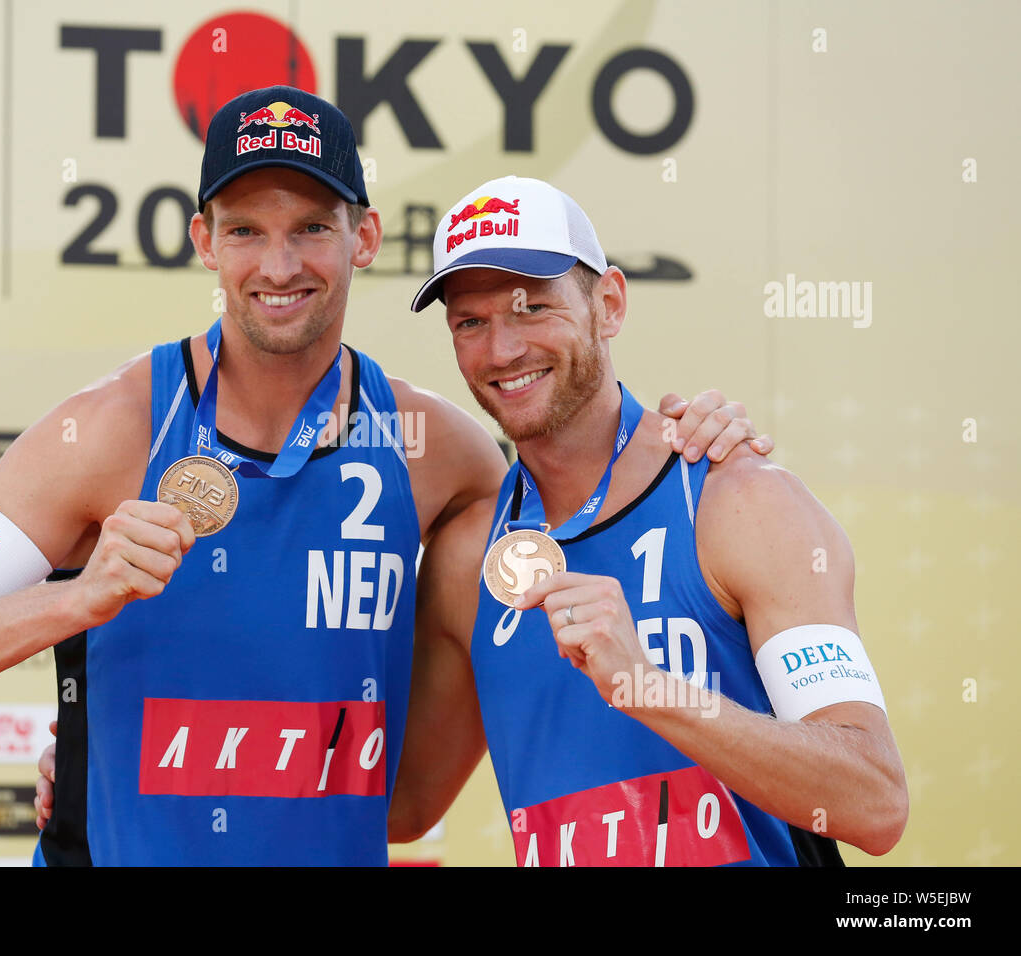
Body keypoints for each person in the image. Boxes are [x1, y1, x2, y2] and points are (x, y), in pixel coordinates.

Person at [0, 88, 764, 866]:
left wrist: (693, 432)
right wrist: (75, 606)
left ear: (363, 238)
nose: (279, 266)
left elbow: (579, 467)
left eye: (312, 227)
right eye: (245, 231)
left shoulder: (440, 454)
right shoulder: (111, 431)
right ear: (204, 241)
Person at [383, 175, 908, 864]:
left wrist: (647, 686)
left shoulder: (738, 500)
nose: (502, 350)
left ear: (609, 303)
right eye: (470, 322)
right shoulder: (466, 559)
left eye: (533, 307)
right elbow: (402, 807)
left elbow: (874, 801)